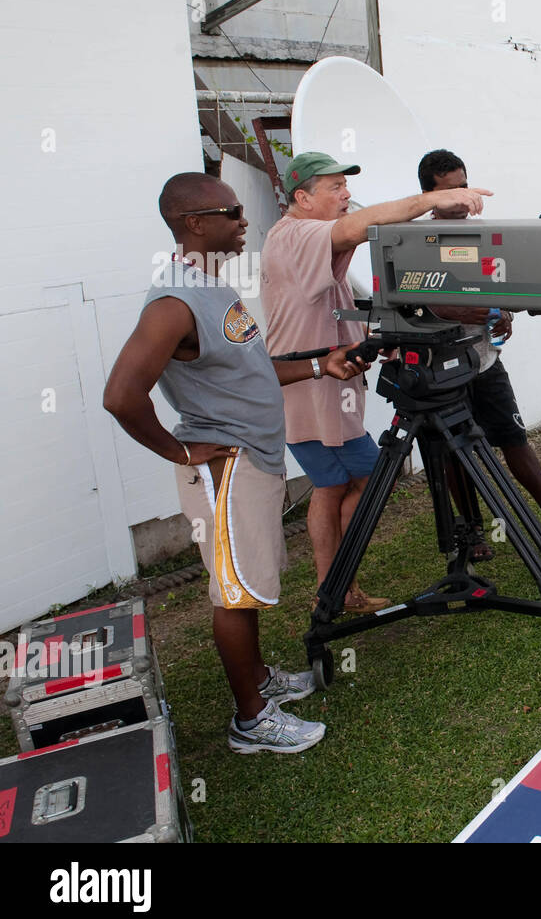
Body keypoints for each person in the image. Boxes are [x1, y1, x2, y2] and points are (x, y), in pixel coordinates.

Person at [103, 173, 368, 753]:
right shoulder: (174, 302)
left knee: (251, 581)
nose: (244, 221)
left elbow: (251, 371)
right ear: (194, 223)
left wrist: (323, 366)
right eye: (232, 212)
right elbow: (121, 395)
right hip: (224, 468)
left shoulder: (212, 287)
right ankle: (251, 720)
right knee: (235, 593)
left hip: (254, 459)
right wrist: (181, 451)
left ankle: (260, 681)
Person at [260, 152, 489, 609]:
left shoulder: (307, 241)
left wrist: (369, 338)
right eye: (335, 188)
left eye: (346, 186)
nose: (346, 195)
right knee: (370, 476)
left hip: (318, 392)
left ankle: (335, 588)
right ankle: (337, 587)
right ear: (302, 198)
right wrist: (433, 199)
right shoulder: (298, 235)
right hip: (313, 392)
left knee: (332, 487)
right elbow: (361, 226)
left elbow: (329, 310)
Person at [415, 149, 541, 558]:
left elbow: (492, 286)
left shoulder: (482, 232)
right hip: (440, 369)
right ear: (429, 195)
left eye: (465, 186)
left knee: (514, 438)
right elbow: (415, 301)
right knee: (456, 451)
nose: (462, 198)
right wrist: (458, 309)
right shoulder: (414, 240)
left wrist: (501, 312)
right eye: (451, 191)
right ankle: (472, 535)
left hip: (484, 361)